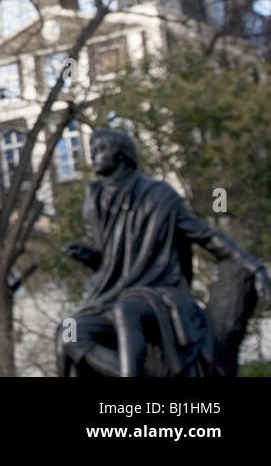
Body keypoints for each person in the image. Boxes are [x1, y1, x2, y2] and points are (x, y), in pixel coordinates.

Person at [57, 128, 271, 377]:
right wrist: (87, 254)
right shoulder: (94, 201)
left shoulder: (159, 195)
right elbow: (108, 259)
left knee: (126, 310)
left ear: (121, 155)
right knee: (70, 331)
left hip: (159, 290)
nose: (93, 156)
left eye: (100, 149)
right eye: (92, 151)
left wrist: (253, 266)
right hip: (109, 292)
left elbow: (206, 236)